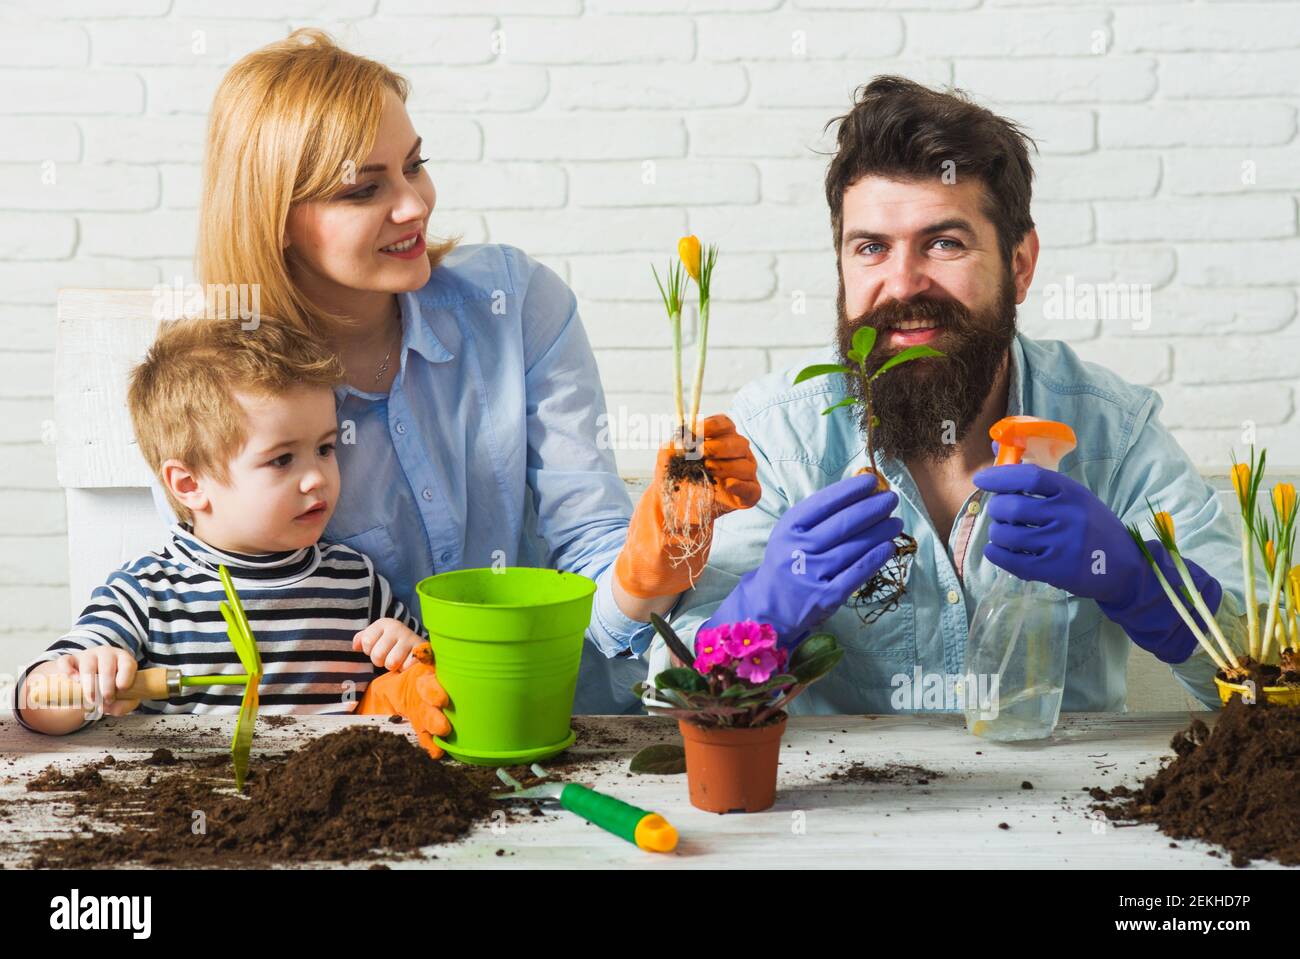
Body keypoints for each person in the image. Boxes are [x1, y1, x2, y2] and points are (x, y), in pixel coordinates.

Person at [146, 28, 760, 714]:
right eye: (363, 189)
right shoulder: (222, 391)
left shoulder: (514, 303)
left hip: (564, 718)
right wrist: (383, 694)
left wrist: (654, 556)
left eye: (415, 164)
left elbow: (594, 553)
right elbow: (225, 612)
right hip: (369, 753)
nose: (413, 204)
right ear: (276, 218)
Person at [653, 76, 1254, 713]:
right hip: (840, 806)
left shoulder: (1115, 432)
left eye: (944, 243)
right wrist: (761, 619)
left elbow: (1268, 684)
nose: (903, 283)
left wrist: (1143, 584)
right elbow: (669, 706)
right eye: (871, 248)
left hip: (1065, 802)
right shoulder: (776, 439)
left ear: (1020, 264)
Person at [15, 318, 452, 757]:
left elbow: (427, 679)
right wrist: (83, 680)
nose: (316, 478)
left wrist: (410, 653)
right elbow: (33, 701)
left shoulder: (356, 582)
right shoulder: (148, 592)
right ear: (189, 485)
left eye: (324, 449)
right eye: (282, 460)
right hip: (199, 803)